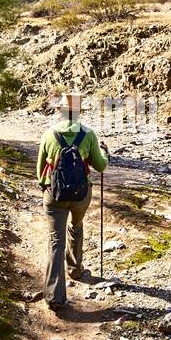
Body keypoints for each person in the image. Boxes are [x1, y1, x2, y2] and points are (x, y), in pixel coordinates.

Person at [36, 93, 109, 311]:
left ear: (60, 111)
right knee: (76, 226)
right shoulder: (88, 135)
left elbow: (40, 171)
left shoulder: (48, 134)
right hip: (80, 195)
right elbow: (101, 166)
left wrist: (45, 185)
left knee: (55, 240)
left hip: (55, 196)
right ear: (79, 113)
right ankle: (76, 269)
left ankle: (55, 296)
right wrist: (104, 152)